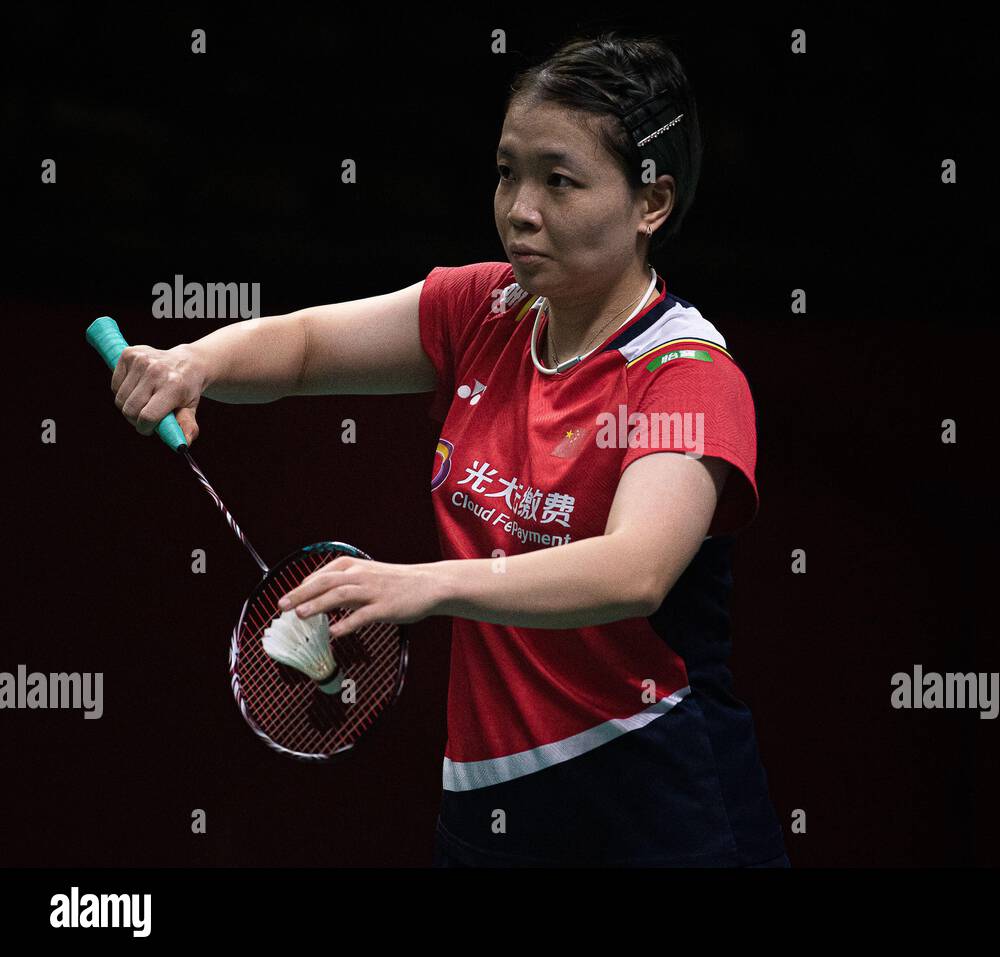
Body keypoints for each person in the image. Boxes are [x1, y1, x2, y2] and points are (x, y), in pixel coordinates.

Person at [108, 31, 788, 868]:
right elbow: (305, 348)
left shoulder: (687, 375)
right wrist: (195, 363)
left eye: (560, 180)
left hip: (660, 813)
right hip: (490, 809)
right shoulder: (486, 310)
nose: (520, 208)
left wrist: (423, 587)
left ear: (651, 203)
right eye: (508, 171)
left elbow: (634, 570)